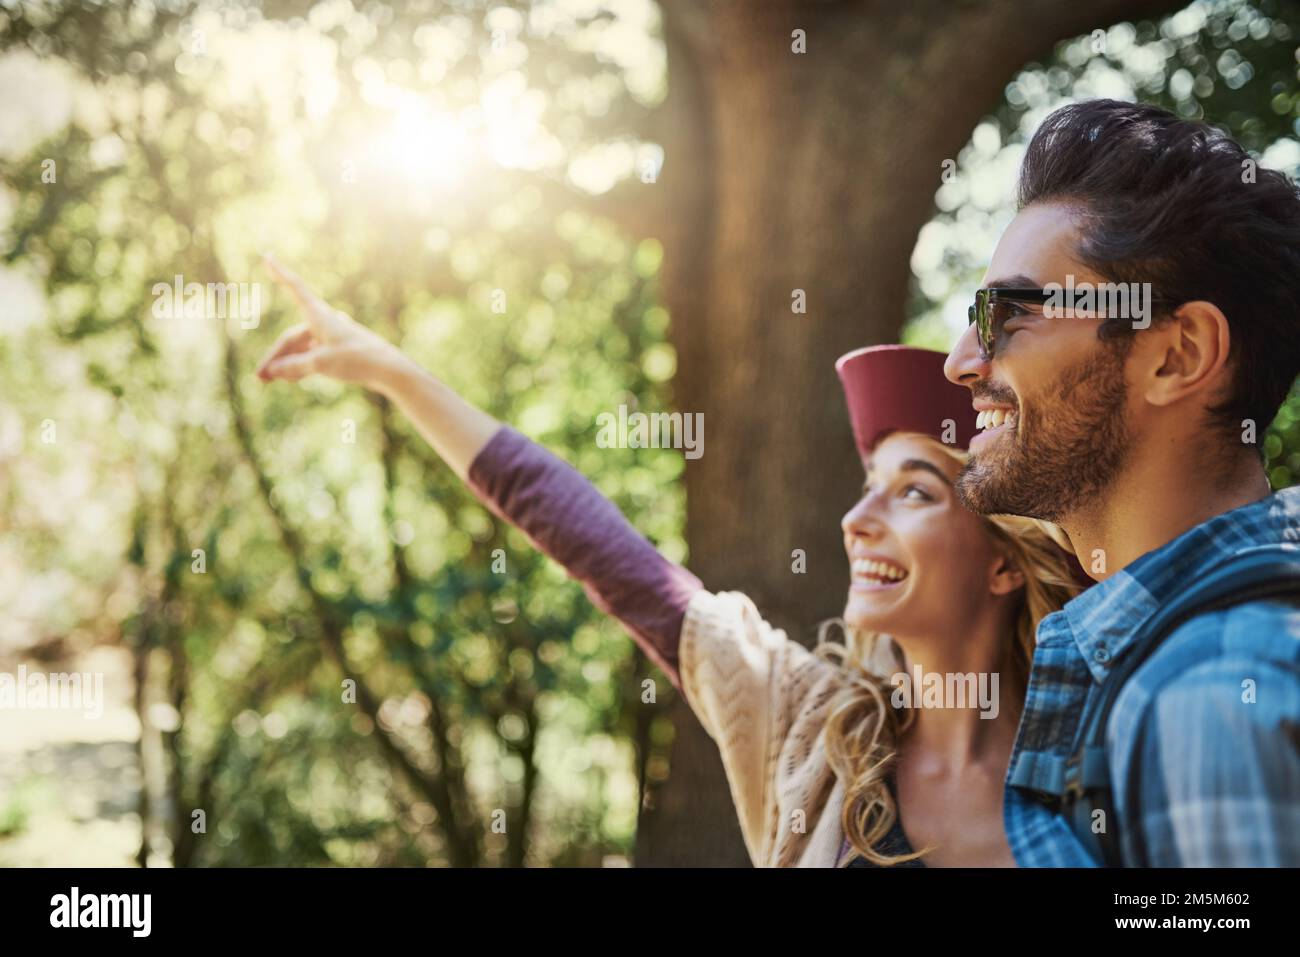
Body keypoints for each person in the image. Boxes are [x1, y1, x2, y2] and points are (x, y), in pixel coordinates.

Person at [255, 259, 1084, 866]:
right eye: (867, 486)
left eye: (913, 493)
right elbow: (595, 543)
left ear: (1007, 563)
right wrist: (391, 371)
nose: (856, 520)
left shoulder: (1103, 767)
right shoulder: (809, 729)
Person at [944, 98, 1300, 866]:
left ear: (1178, 354)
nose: (962, 361)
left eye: (1008, 314)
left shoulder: (1209, 697)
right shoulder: (1185, 666)